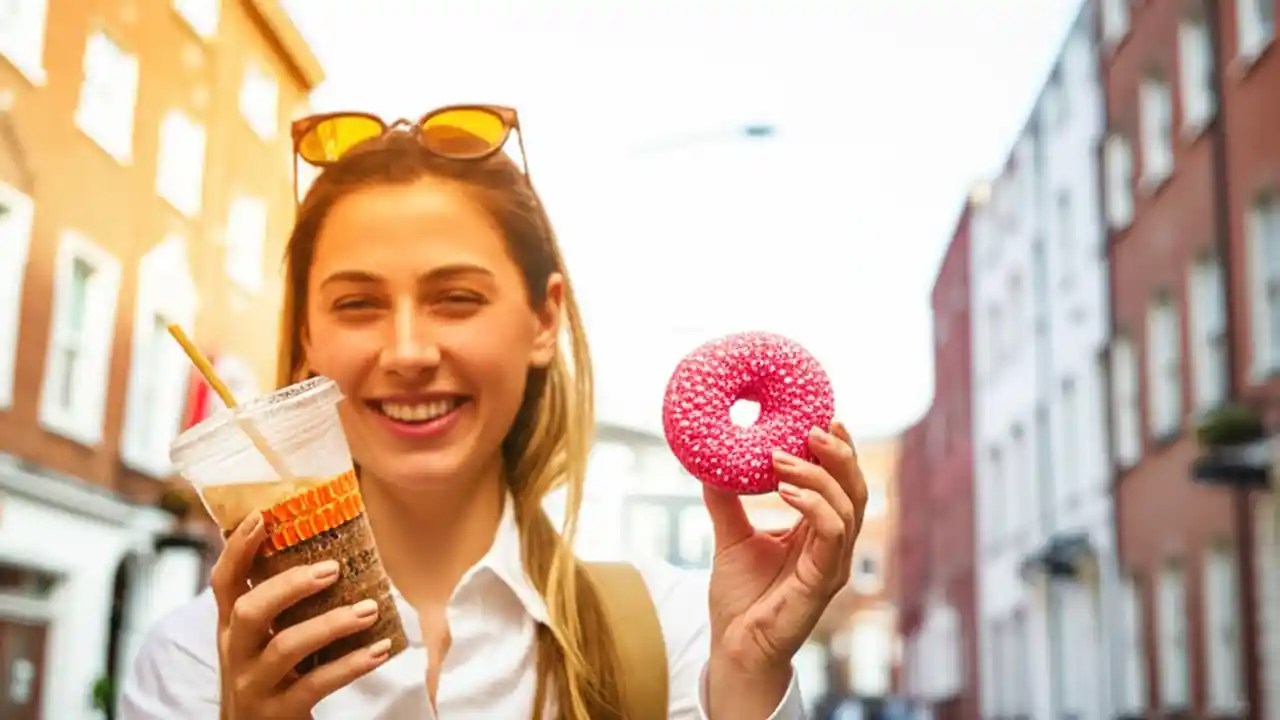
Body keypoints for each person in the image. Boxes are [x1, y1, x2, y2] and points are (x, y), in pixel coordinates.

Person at [120, 105, 868, 719]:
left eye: (457, 298)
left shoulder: (677, 637)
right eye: (358, 304)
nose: (408, 350)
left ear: (543, 322)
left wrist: (746, 676)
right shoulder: (196, 665)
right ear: (309, 338)